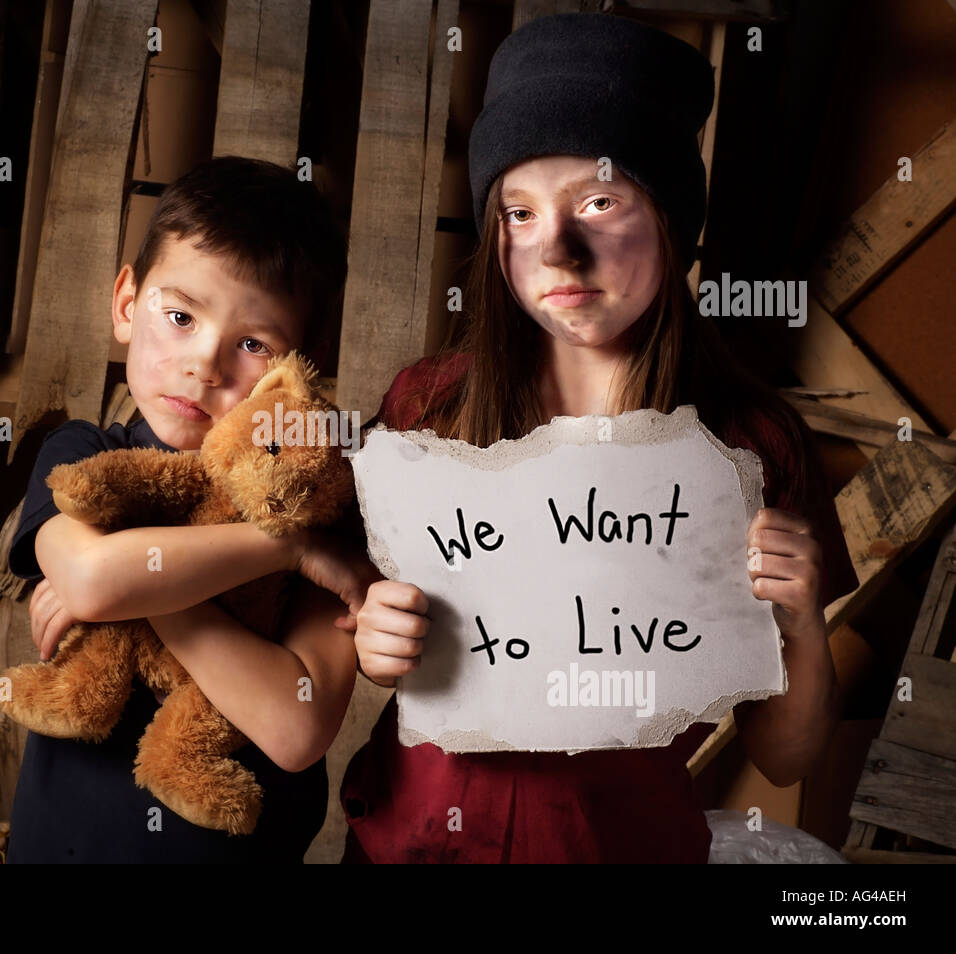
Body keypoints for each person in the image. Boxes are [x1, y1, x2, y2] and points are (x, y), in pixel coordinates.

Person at [340, 12, 861, 864]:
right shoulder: (426, 408)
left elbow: (786, 753)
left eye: (599, 201)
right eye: (519, 211)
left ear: (671, 220)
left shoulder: (748, 447)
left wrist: (799, 622)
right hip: (415, 844)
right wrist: (374, 639)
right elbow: (371, 636)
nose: (558, 249)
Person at [5, 157, 375, 862]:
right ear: (126, 301)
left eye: (252, 343)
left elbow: (294, 729)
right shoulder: (85, 453)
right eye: (179, 316)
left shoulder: (314, 501)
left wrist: (142, 589)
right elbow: (88, 580)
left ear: (300, 366)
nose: (204, 363)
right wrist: (284, 550)